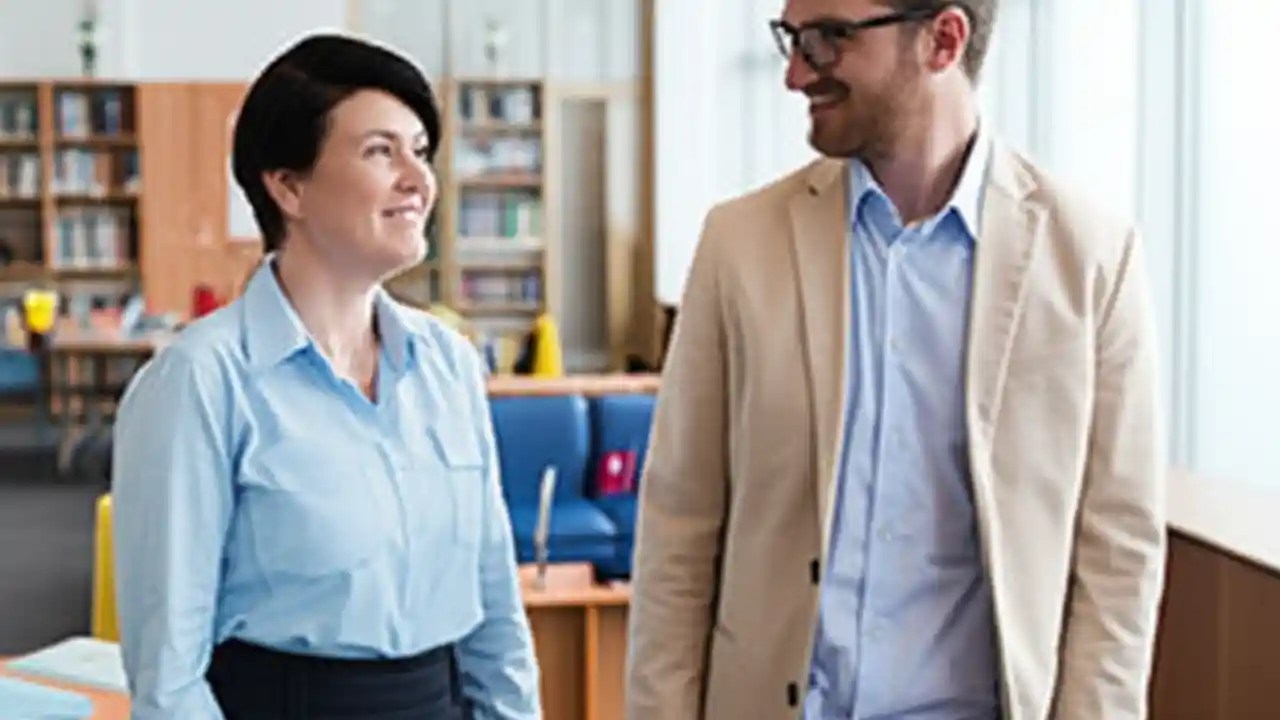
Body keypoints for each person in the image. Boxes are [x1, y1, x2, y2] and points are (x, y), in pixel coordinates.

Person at [626, 1, 1166, 718]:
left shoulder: (1092, 256)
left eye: (826, 39)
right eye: (792, 38)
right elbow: (679, 527)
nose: (794, 72)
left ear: (943, 39)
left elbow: (1118, 555)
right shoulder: (738, 243)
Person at [111, 33, 541, 719]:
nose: (418, 179)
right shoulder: (201, 382)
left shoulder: (449, 363)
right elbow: (169, 677)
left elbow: (494, 609)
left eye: (420, 152)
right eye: (380, 151)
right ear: (288, 186)